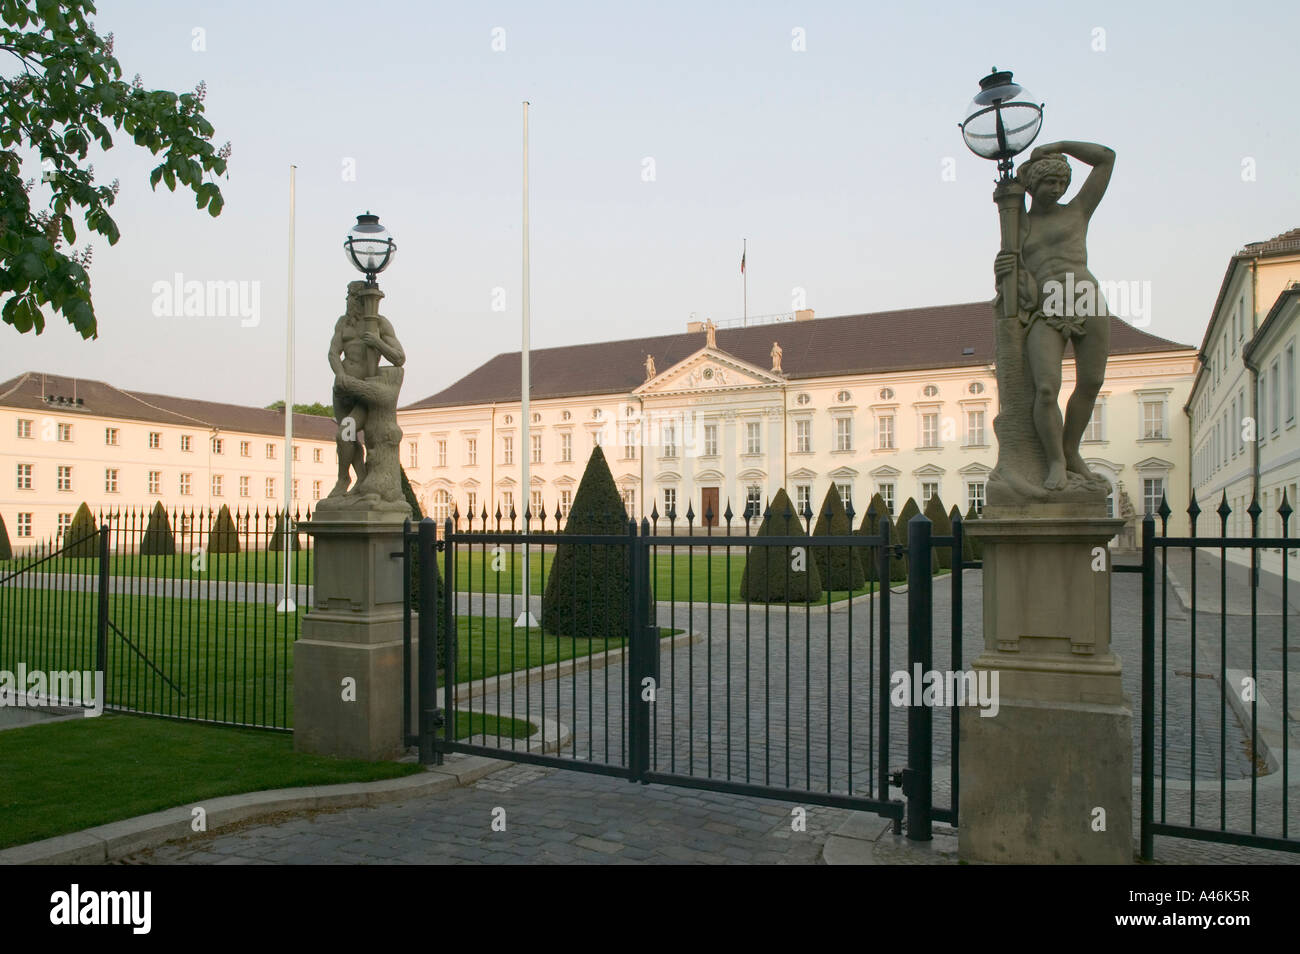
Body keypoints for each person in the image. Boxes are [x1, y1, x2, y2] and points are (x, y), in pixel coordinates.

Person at [994, 140, 1115, 491]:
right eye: (1050, 183)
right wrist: (999, 266)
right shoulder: (1020, 225)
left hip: (1085, 297)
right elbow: (1011, 271)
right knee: (1046, 389)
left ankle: (1071, 450)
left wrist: (1059, 145)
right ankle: (1056, 461)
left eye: (1062, 183)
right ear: (1031, 185)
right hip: (1046, 305)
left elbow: (1107, 159)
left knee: (1091, 381)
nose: (1058, 189)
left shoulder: (1078, 210)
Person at [326, 281, 406, 498]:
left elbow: (399, 358)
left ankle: (344, 478)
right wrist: (340, 374)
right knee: (349, 439)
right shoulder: (344, 323)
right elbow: (333, 353)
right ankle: (360, 478)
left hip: (362, 393)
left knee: (345, 434)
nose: (350, 301)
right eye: (349, 297)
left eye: (355, 297)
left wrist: (378, 343)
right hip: (342, 392)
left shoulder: (379, 324)